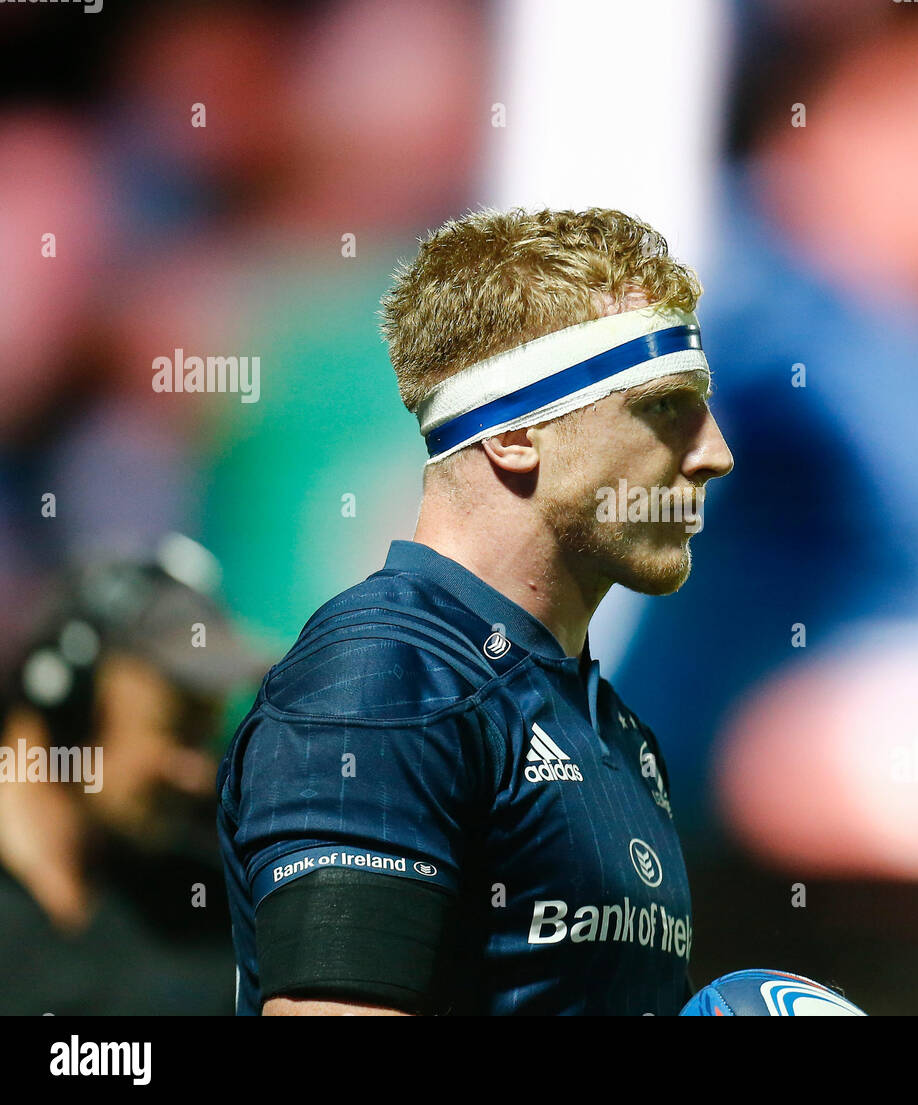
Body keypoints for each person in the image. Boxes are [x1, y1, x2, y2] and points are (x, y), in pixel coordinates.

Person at [216, 207, 734, 1015]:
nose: (714, 452)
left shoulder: (613, 730)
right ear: (516, 433)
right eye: (667, 406)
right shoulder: (385, 680)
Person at [0, 533, 269, 1014]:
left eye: (205, 737)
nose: (197, 772)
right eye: (174, 731)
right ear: (70, 706)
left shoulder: (212, 915)